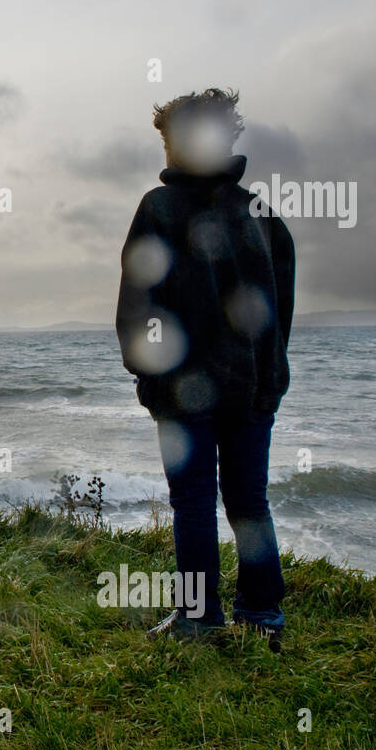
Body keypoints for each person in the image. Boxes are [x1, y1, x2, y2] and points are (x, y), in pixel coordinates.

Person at [114, 87, 295, 647]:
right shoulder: (260, 214)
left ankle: (198, 620)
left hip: (184, 393)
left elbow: (139, 305)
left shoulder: (159, 208)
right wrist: (270, 377)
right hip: (252, 388)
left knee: (193, 501)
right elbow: (279, 312)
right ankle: (262, 616)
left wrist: (150, 379)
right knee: (248, 500)